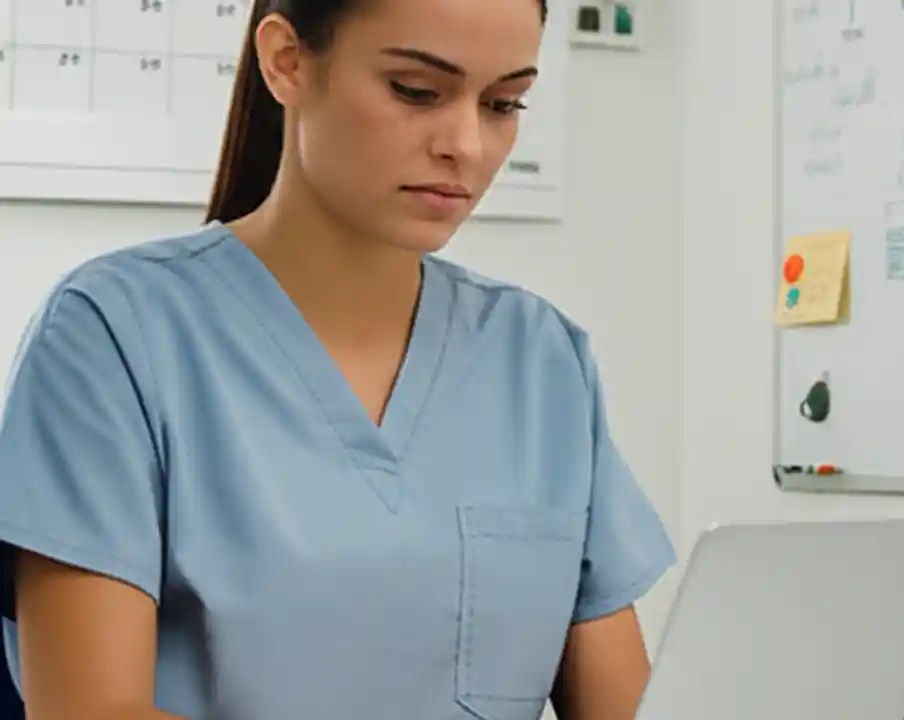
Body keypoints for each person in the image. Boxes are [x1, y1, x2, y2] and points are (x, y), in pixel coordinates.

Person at [0, 0, 676, 717]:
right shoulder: (114, 333)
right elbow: (90, 710)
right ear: (286, 60)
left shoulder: (542, 361)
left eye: (503, 103)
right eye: (417, 91)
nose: (467, 145)